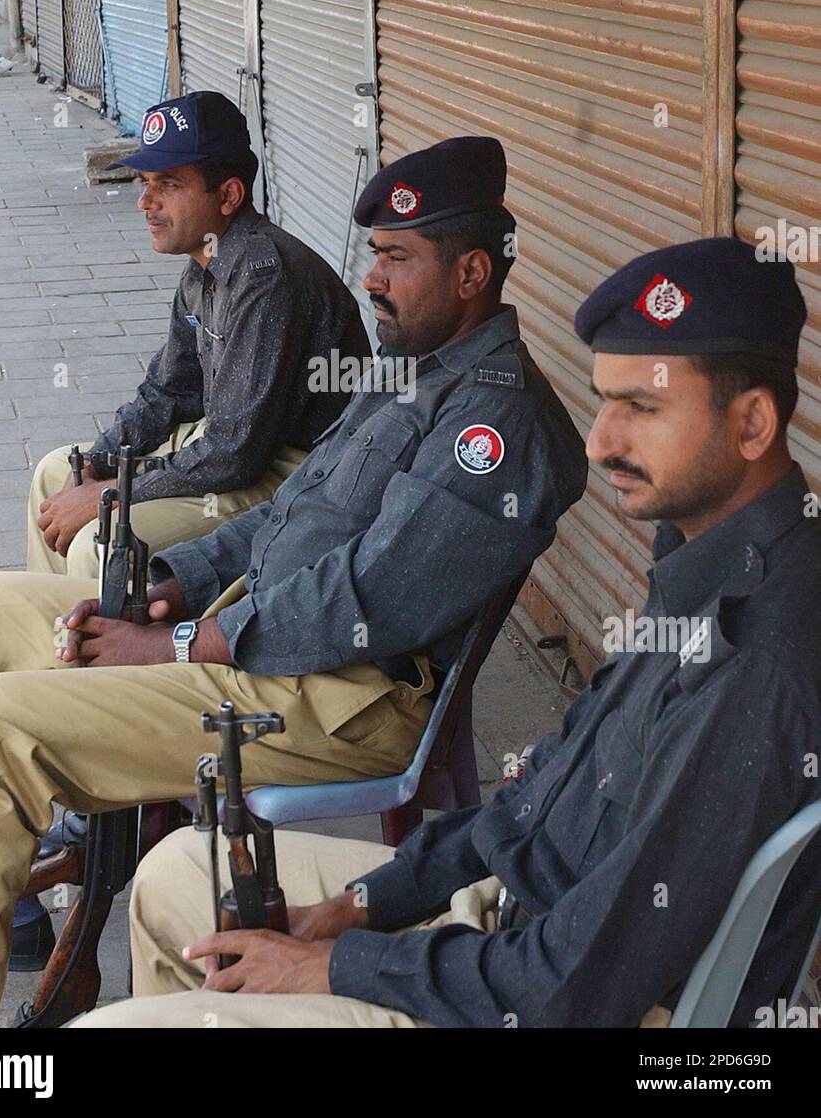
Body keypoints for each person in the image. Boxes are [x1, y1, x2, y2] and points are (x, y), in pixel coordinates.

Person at [0, 136, 588, 1026]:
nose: (371, 280)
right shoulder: (411, 366)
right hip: (258, 635)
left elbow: (366, 601)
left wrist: (176, 642)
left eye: (396, 258)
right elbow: (288, 508)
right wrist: (175, 586)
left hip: (331, 698)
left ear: (469, 275)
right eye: (373, 254)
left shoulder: (495, 423)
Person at [74, 237, 821, 1030]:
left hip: (546, 998)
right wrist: (359, 908)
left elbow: (572, 985)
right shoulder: (701, 562)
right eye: (605, 402)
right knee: (175, 880)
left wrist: (332, 964)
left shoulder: (759, 658)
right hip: (508, 928)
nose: (601, 442)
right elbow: (532, 803)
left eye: (641, 408)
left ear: (749, 424)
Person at [27, 89, 369, 579]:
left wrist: (111, 491)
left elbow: (236, 455)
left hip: (294, 470)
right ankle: (49, 637)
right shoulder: (203, 266)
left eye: (167, 184)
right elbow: (169, 391)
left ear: (228, 195)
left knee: (100, 541)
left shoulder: (264, 275)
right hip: (227, 445)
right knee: (56, 474)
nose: (145, 201)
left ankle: (106, 648)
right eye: (145, 183)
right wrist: (100, 460)